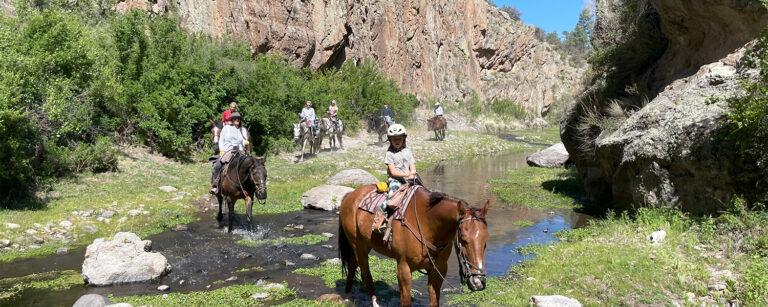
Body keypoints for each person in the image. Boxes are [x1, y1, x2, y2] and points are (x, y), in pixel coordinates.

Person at [372, 124, 416, 232]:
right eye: (394, 139)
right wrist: (408, 174)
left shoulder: (408, 151)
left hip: (409, 179)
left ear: (404, 138)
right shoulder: (389, 154)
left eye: (399, 139)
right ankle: (379, 217)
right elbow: (393, 172)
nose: (397, 141)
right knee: (391, 197)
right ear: (390, 140)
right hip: (395, 180)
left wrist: (412, 173)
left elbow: (412, 166)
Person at [210, 112, 247, 194]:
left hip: (240, 150)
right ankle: (215, 184)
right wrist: (222, 150)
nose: (237, 120)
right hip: (228, 150)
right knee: (218, 164)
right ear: (232, 120)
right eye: (235, 118)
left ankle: (252, 186)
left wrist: (245, 142)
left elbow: (244, 140)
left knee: (251, 164)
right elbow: (221, 140)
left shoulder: (243, 130)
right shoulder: (226, 128)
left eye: (238, 119)